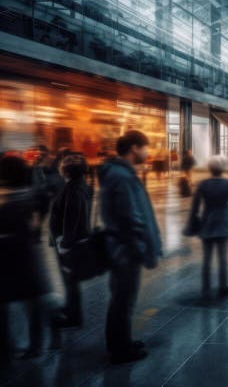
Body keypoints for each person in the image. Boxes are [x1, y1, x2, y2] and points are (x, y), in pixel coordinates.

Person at [98, 130, 162, 364]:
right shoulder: (122, 176)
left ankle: (121, 341)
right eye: (146, 147)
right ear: (134, 147)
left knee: (122, 299)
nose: (148, 152)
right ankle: (120, 349)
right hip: (127, 249)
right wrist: (142, 247)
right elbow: (130, 217)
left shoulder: (119, 173)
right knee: (123, 300)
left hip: (122, 246)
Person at [0, 155, 52, 360]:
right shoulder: (32, 195)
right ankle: (35, 345)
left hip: (7, 261)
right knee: (33, 303)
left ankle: (8, 347)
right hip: (28, 258)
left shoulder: (7, 201)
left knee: (5, 305)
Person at [187, 155, 228, 298]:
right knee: (222, 258)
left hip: (207, 223)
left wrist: (192, 224)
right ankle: (223, 287)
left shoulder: (202, 184)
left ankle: (206, 289)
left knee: (207, 258)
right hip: (224, 223)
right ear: (223, 168)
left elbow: (195, 207)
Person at [49, 154, 93, 328]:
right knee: (70, 280)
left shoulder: (72, 190)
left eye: (62, 165)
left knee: (70, 280)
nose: (60, 167)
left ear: (66, 171)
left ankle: (74, 317)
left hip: (70, 245)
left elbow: (71, 219)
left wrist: (64, 244)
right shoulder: (80, 186)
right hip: (75, 242)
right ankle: (70, 308)